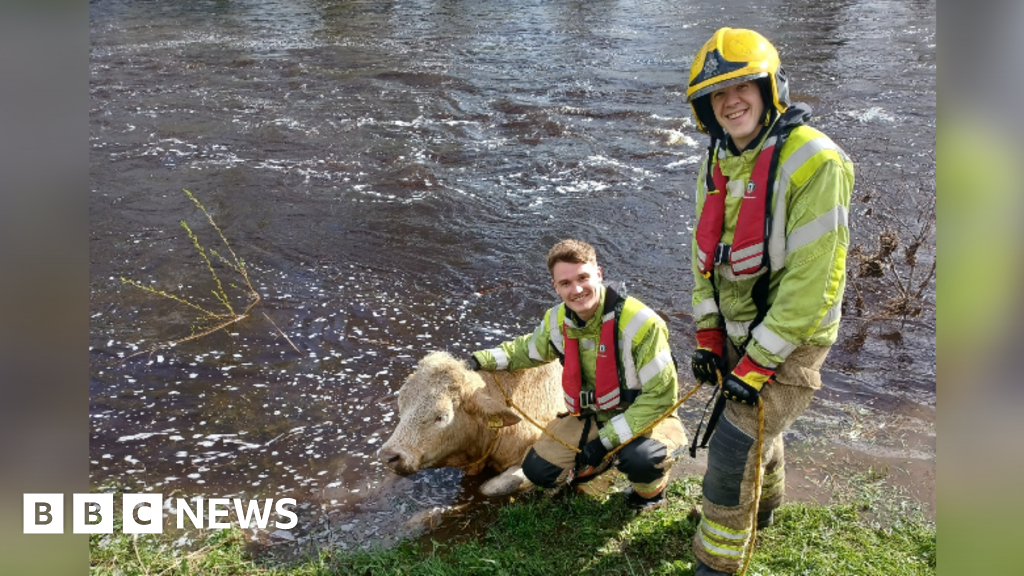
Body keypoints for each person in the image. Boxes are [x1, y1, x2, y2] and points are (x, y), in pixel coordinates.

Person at [682, 28, 854, 575]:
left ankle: (717, 563)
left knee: (732, 446)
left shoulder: (816, 162)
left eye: (743, 87)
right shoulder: (720, 154)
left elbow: (811, 284)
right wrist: (710, 333)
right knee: (758, 431)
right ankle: (767, 507)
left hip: (793, 339)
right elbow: (703, 253)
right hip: (738, 327)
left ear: (770, 86)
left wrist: (757, 364)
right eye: (717, 95)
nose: (731, 102)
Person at [469, 239, 687, 511]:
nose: (577, 289)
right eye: (566, 283)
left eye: (583, 277)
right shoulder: (557, 320)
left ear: (599, 273)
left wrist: (604, 442)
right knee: (539, 470)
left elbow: (659, 399)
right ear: (555, 287)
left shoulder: (642, 323)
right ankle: (598, 464)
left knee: (642, 459)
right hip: (594, 414)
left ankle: (650, 494)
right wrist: (480, 359)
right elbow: (525, 351)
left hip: (647, 414)